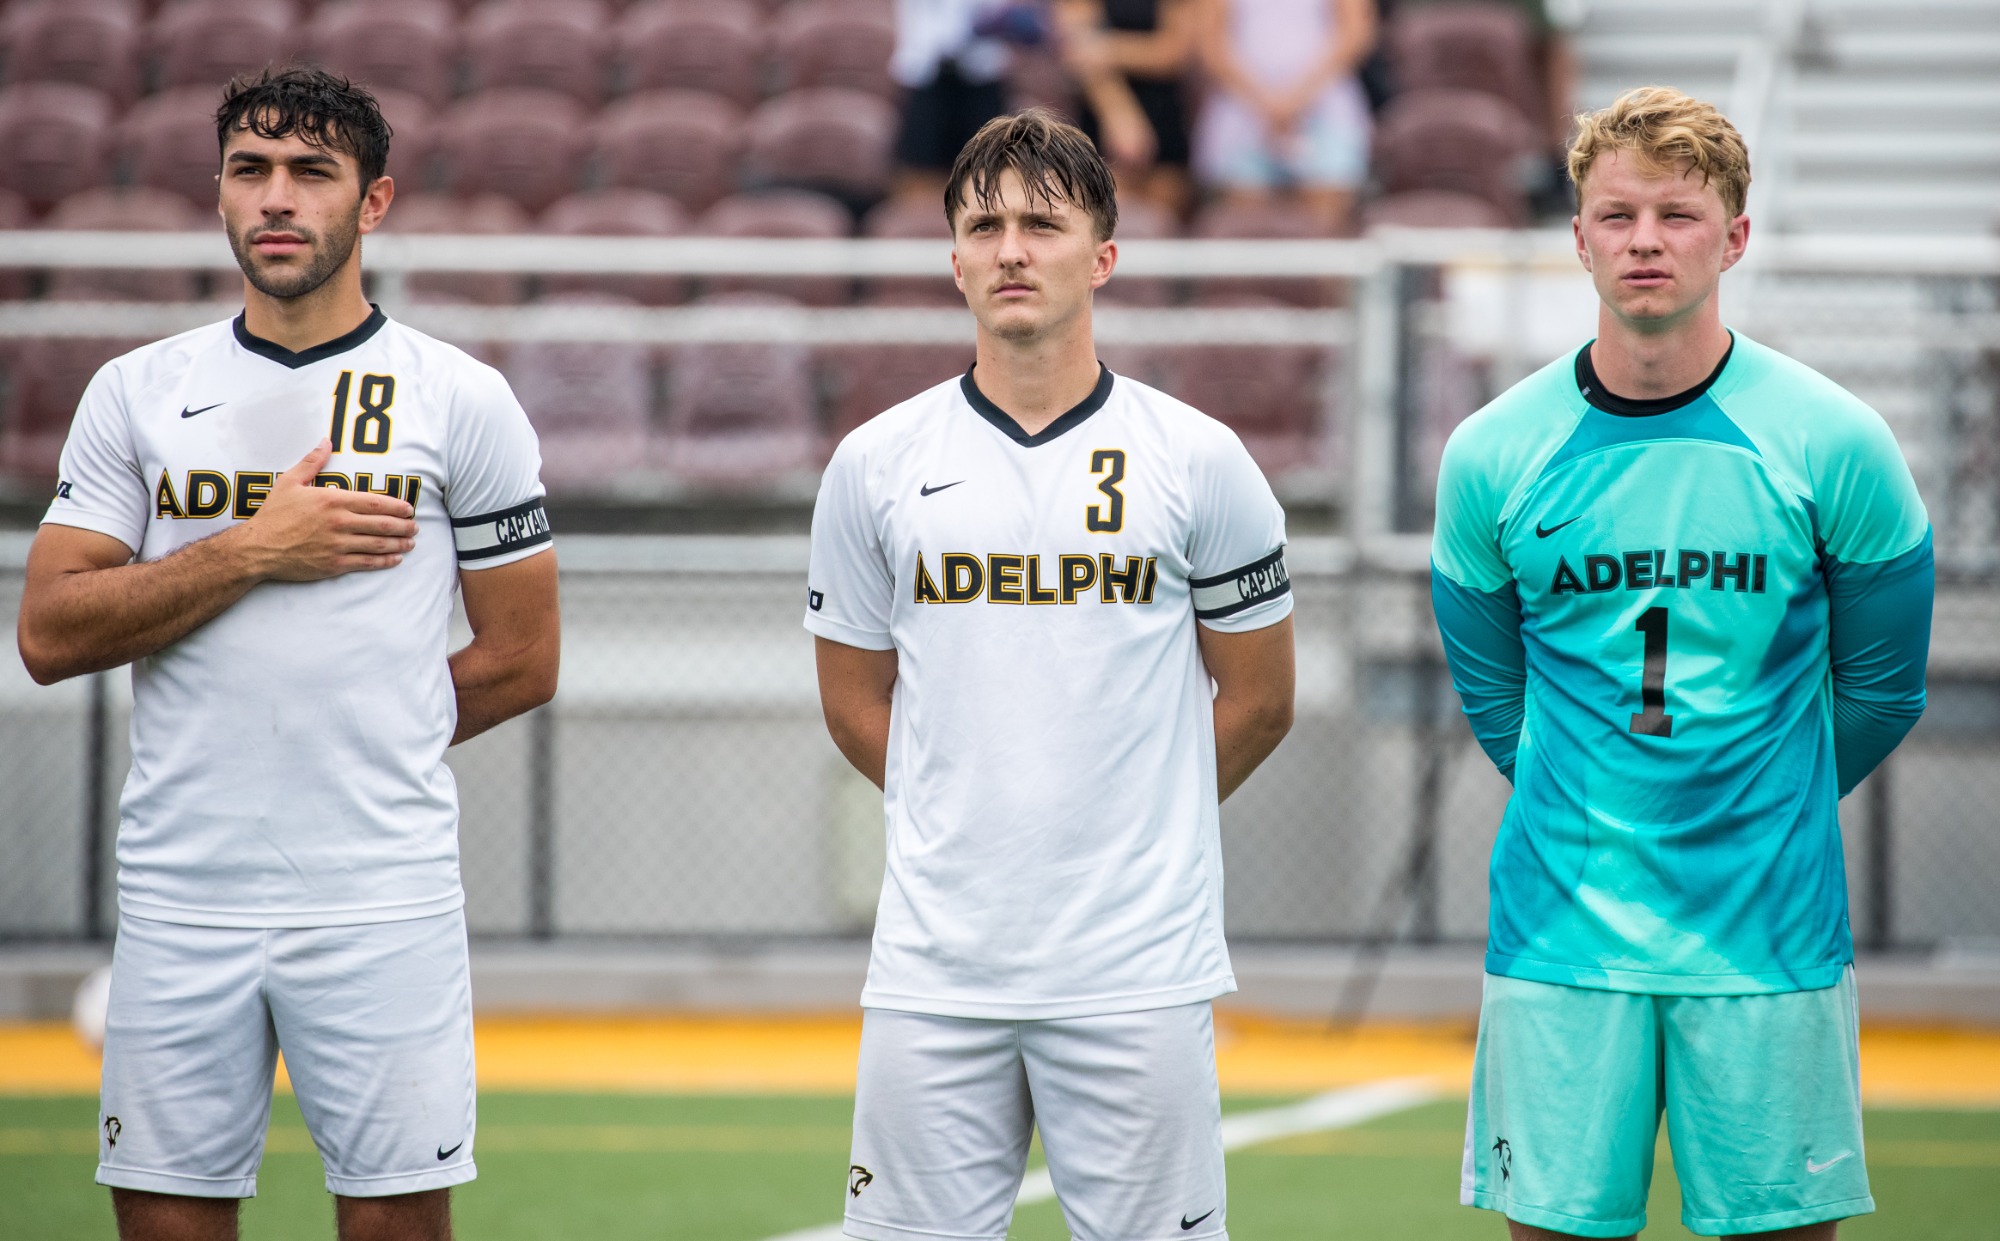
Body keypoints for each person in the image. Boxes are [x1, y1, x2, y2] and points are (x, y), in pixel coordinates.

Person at [17, 68, 560, 1241]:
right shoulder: (136, 393)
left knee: (394, 1227)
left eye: (312, 173)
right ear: (216, 192)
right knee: (165, 1222)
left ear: (373, 203)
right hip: (180, 889)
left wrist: (367, 730)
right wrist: (252, 550)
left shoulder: (459, 397)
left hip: (380, 890)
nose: (277, 198)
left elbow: (523, 657)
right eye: (250, 171)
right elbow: (51, 632)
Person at [1431, 87, 1932, 1240]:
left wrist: (1758, 794)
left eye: (1675, 213)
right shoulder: (1492, 451)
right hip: (1561, 935)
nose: (1644, 240)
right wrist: (1601, 796)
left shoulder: (1833, 439)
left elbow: (1881, 690)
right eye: (1615, 215)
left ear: (1734, 237)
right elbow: (1494, 697)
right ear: (1576, 237)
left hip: (1767, 933)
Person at [806, 108, 1295, 1241]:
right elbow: (849, 700)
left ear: (1104, 257)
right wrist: (966, 810)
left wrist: (1128, 816)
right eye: (983, 226)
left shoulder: (1198, 457)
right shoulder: (874, 462)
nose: (1011, 248)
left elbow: (1261, 698)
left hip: (1134, 965)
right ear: (953, 260)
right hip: (936, 967)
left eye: (1042, 222)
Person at [1191, 0, 1378, 234]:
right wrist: (1264, 102)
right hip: (1243, 112)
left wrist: (1299, 97)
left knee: (1327, 224)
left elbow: (1355, 32)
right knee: (1247, 230)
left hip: (1324, 106)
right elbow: (1210, 42)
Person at [1054, 0, 1199, 216]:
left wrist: (1105, 48)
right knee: (1107, 217)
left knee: (1163, 220)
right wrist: (1119, 115)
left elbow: (1174, 51)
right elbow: (1076, 45)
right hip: (1103, 115)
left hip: (1163, 114)